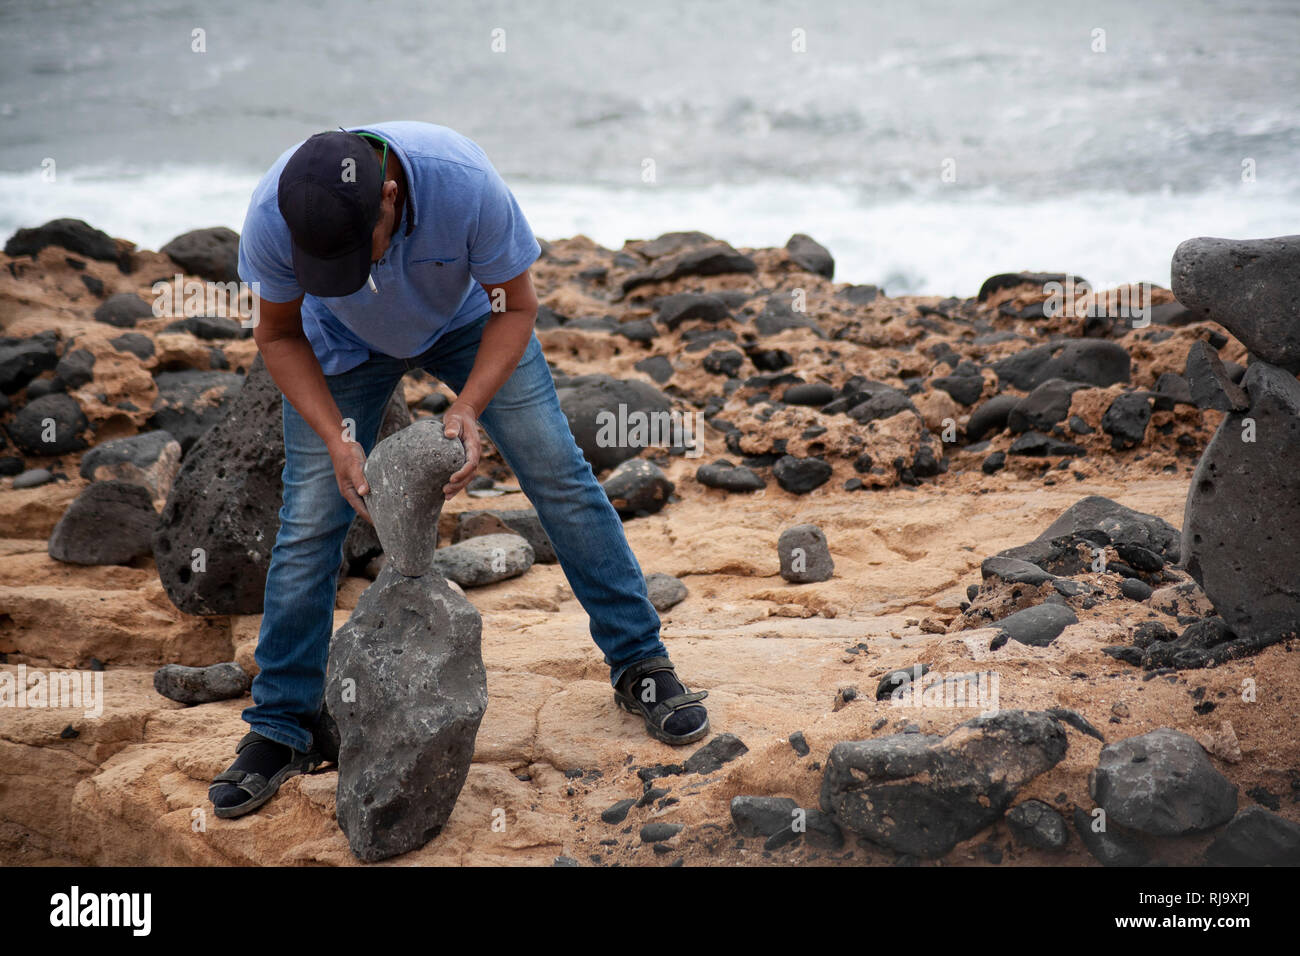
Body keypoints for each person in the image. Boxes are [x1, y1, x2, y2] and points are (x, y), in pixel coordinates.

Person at [208, 121, 709, 819]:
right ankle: (282, 727)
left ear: (390, 197)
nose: (356, 271)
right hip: (341, 344)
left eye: (360, 251)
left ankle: (640, 665)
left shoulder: (462, 184)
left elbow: (519, 304)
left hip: (469, 320)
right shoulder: (274, 215)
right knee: (309, 522)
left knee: (559, 476)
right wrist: (337, 438)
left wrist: (469, 407)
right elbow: (280, 333)